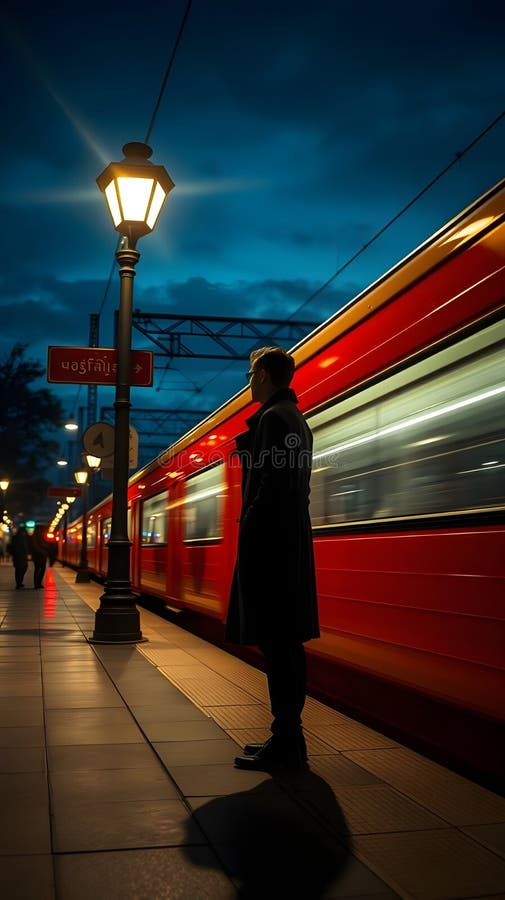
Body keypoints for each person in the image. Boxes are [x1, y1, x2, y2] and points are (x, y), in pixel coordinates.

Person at [225, 346, 320, 771]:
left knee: (277, 644)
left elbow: (269, 485)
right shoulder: (295, 420)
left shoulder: (272, 419)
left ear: (263, 375)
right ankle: (287, 737)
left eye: (250, 375)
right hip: (289, 543)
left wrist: (250, 525)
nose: (248, 382)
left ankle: (286, 742)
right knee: (284, 643)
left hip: (271, 548)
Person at [29, 524, 49, 589]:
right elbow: (35, 546)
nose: (42, 530)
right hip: (38, 555)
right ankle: (37, 584)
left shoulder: (40, 536)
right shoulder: (35, 537)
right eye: (41, 529)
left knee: (40, 569)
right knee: (38, 569)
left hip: (41, 555)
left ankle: (38, 583)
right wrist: (42, 551)